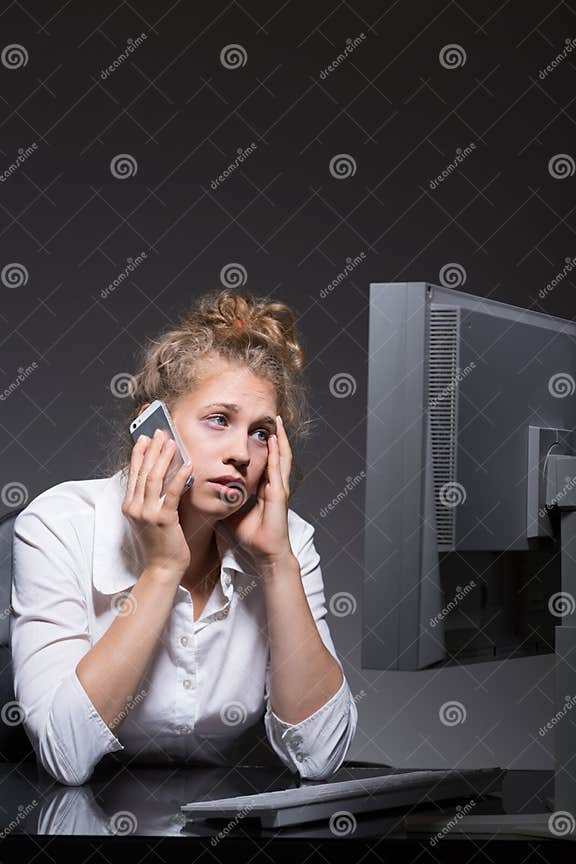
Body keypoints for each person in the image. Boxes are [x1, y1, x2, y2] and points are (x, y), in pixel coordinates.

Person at [10, 287, 358, 786]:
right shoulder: (59, 525)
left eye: (261, 432)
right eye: (219, 420)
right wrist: (162, 569)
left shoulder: (286, 541)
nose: (242, 451)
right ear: (154, 429)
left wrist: (278, 565)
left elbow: (321, 755)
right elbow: (65, 755)